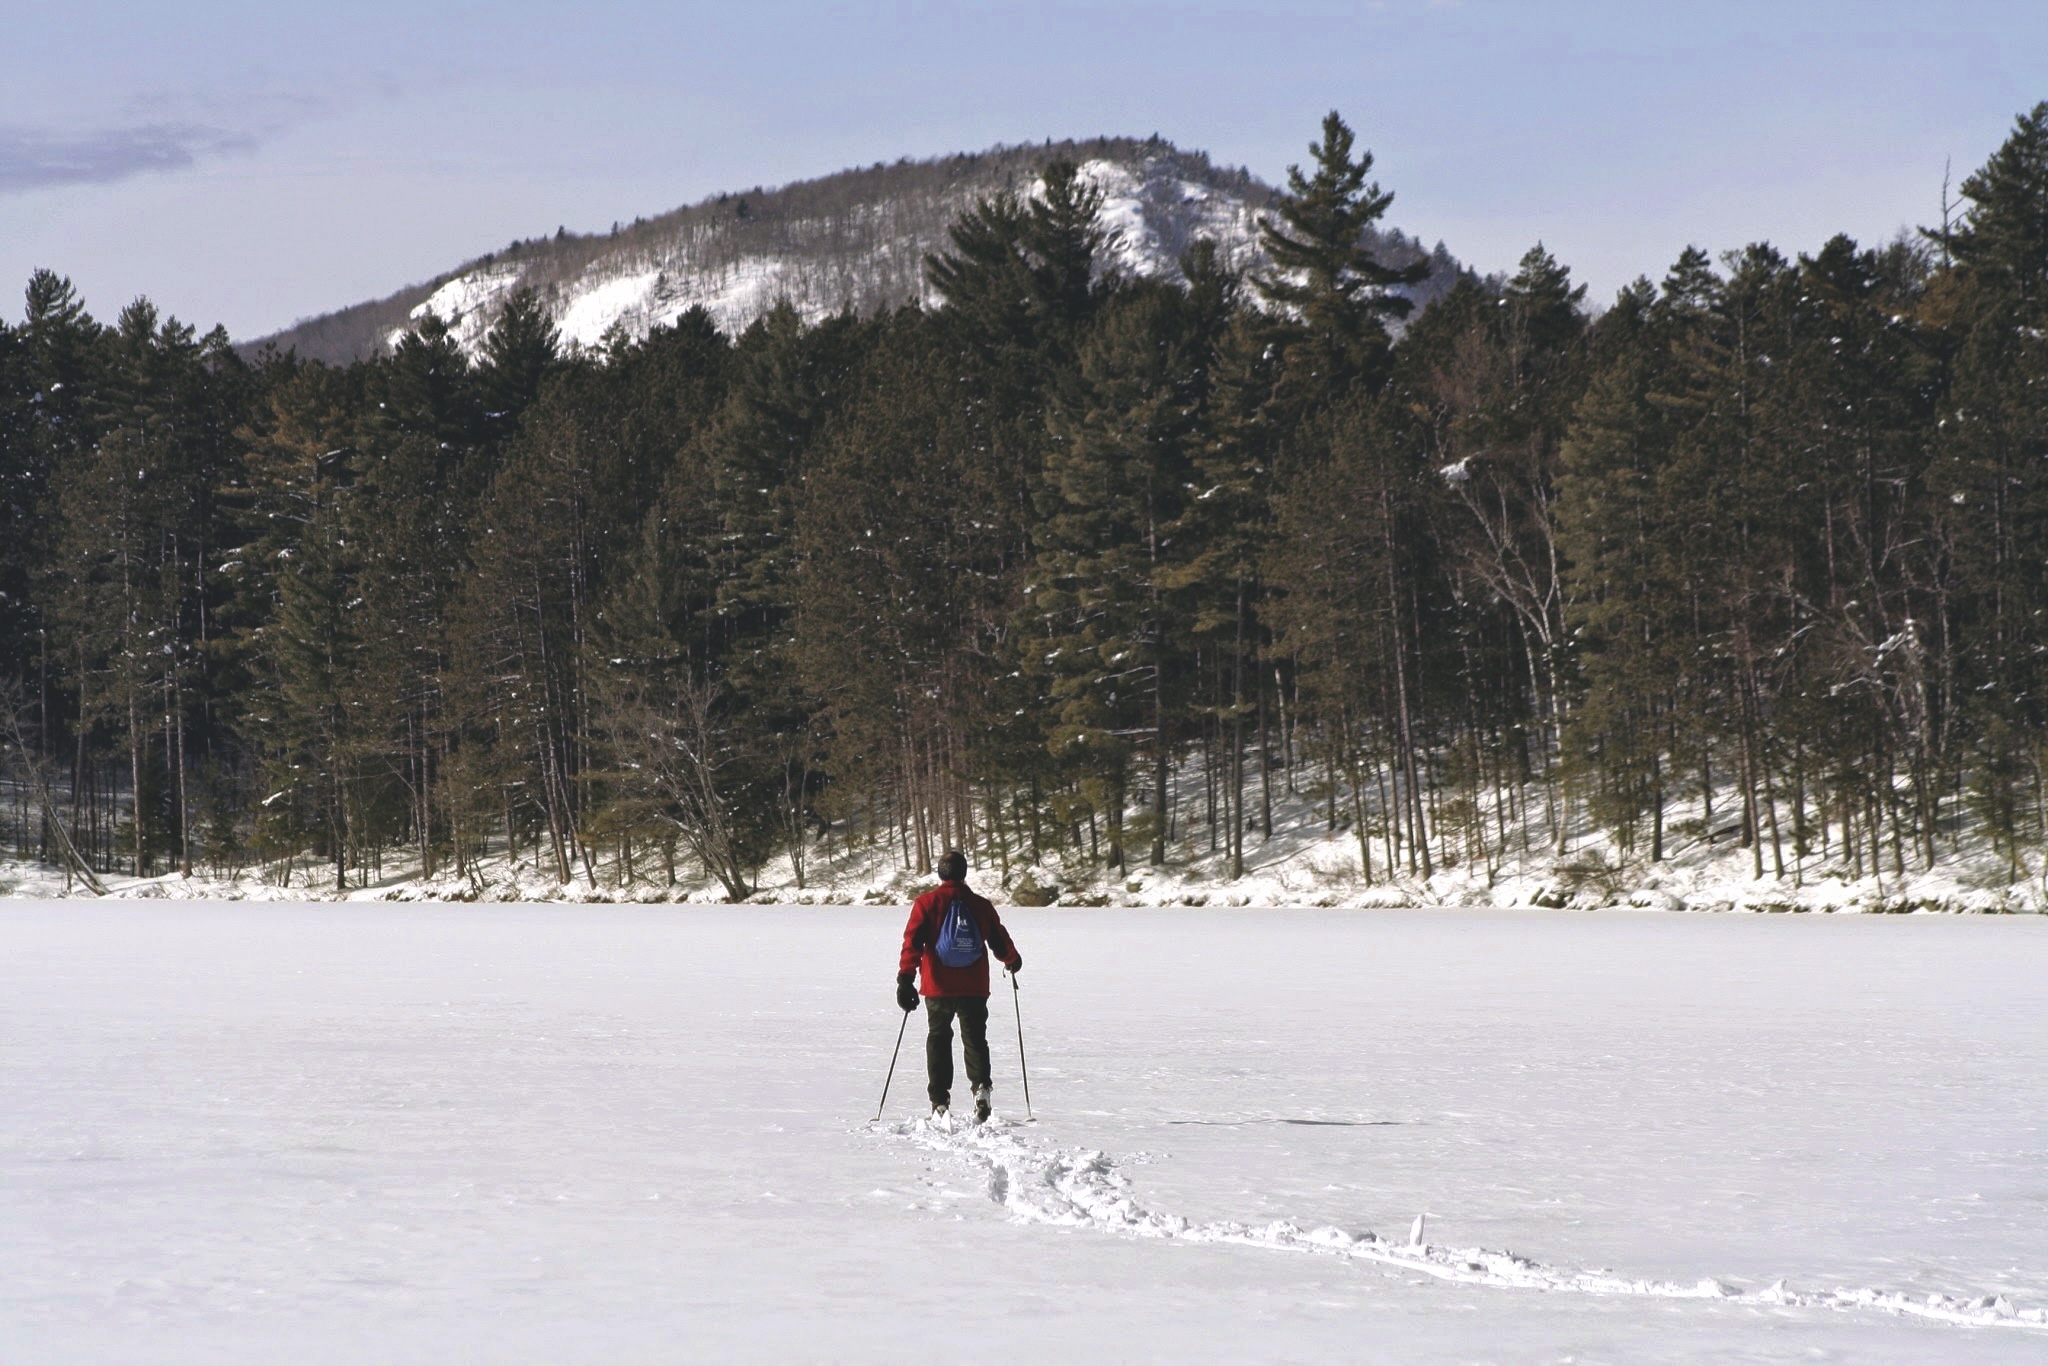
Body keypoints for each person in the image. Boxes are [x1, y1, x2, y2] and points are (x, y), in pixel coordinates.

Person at [896, 849, 1022, 1122]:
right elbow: (998, 940)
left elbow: (913, 942)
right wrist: (1012, 960)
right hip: (973, 985)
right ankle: (981, 1088)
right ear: (964, 873)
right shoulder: (980, 904)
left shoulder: (926, 903)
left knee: (938, 1038)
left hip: (938, 986)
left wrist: (906, 978)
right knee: (975, 1038)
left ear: (940, 874)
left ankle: (940, 1100)